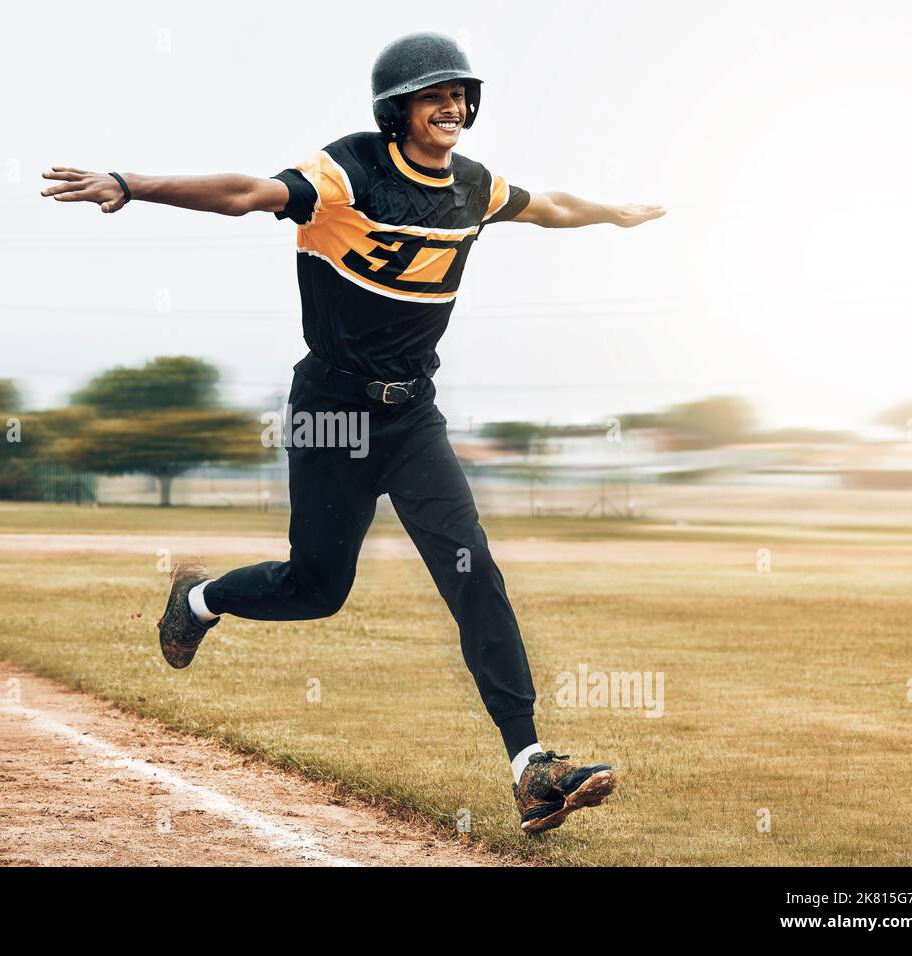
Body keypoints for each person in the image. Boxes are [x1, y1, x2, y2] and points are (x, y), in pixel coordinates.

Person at [41, 32, 664, 835]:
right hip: (332, 416)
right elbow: (247, 192)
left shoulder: (474, 187)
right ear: (396, 108)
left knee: (474, 570)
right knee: (316, 589)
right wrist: (134, 183)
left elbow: (550, 208)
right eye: (436, 95)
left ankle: (531, 768)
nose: (454, 107)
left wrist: (613, 213)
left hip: (412, 419)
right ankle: (197, 599)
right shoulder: (349, 172)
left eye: (462, 95)